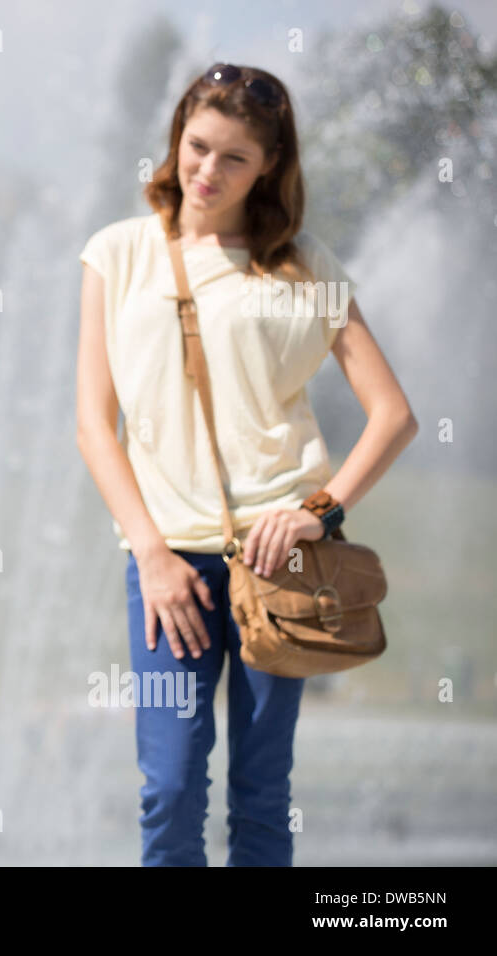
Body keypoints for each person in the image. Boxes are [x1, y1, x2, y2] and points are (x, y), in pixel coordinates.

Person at [75, 64, 417, 866]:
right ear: (175, 141)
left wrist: (318, 510)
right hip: (169, 570)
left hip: (284, 561)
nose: (207, 171)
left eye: (234, 157)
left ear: (270, 164)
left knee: (262, 797)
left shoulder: (303, 264)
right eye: (197, 147)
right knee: (168, 789)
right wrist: (151, 554)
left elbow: (395, 416)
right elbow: (95, 424)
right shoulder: (119, 253)